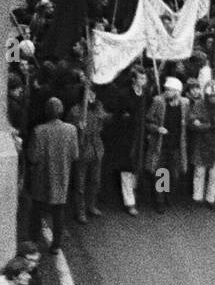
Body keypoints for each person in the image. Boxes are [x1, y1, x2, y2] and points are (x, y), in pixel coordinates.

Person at [26, 97, 79, 256]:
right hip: (62, 175)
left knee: (36, 211)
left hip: (41, 178)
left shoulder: (38, 131)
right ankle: (56, 245)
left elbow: (33, 157)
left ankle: (33, 242)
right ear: (61, 111)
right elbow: (75, 155)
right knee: (59, 211)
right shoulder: (71, 130)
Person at [145, 75, 188, 212]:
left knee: (174, 174)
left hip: (176, 145)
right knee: (161, 173)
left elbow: (187, 121)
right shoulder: (158, 102)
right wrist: (157, 128)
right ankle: (160, 200)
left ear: (177, 92)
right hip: (161, 144)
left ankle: (168, 195)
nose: (166, 92)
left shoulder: (184, 104)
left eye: (169, 90)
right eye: (165, 89)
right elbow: (148, 121)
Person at [66, 86, 108, 223]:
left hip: (96, 148)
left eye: (93, 93)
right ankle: (80, 211)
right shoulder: (75, 110)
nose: (92, 96)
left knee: (95, 180)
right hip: (83, 148)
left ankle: (91, 205)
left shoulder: (97, 107)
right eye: (89, 93)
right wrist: (77, 126)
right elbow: (68, 129)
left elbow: (104, 119)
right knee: (80, 183)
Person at [110, 67, 148, 215]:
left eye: (145, 79)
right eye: (141, 78)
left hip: (141, 136)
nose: (143, 82)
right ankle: (129, 201)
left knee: (137, 167)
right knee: (126, 168)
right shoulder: (124, 94)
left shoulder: (146, 94)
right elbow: (118, 115)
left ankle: (137, 192)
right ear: (134, 79)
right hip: (126, 137)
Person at [189, 80, 215, 209]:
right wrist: (206, 126)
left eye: (214, 96)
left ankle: (211, 199)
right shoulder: (198, 104)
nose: (213, 98)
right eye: (210, 96)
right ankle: (197, 197)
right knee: (199, 171)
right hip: (202, 143)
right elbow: (191, 122)